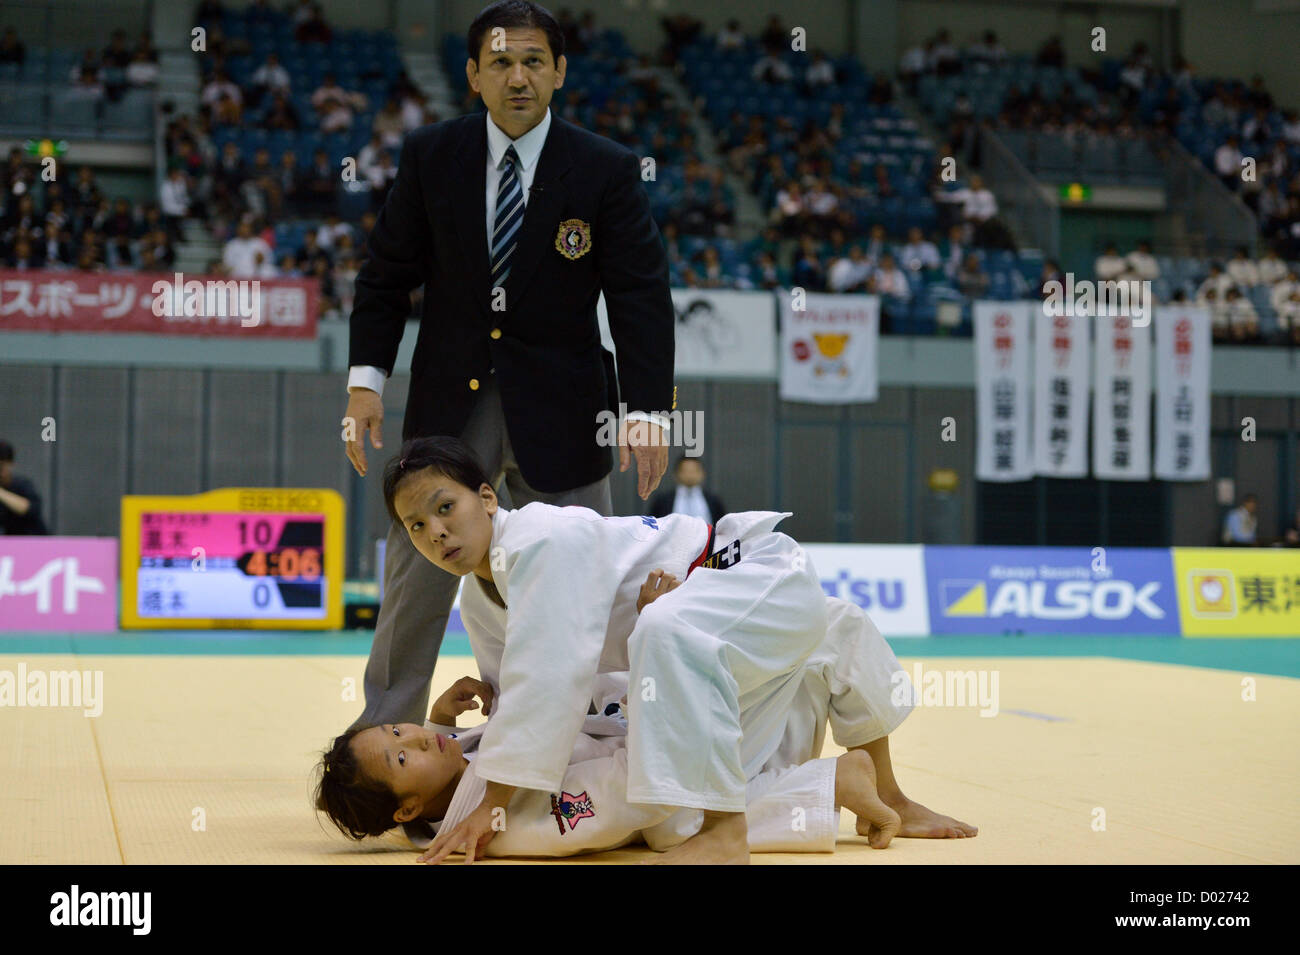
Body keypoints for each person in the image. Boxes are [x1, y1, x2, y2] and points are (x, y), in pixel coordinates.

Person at [344, 0, 674, 734]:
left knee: (585, 582)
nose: (517, 76)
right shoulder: (434, 156)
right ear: (472, 75)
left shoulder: (605, 170)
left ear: (558, 71)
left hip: (566, 404)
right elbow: (385, 274)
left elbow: (641, 295)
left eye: (532, 61)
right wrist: (366, 380)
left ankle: (596, 737)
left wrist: (647, 410)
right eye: (500, 62)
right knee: (417, 577)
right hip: (450, 407)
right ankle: (383, 744)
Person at [384, 436, 827, 863]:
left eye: (446, 508)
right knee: (669, 811)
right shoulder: (481, 594)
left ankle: (725, 833)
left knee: (661, 629)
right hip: (728, 631)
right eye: (417, 525)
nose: (437, 533)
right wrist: (448, 731)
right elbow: (519, 704)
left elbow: (548, 683)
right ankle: (857, 781)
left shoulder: (539, 539)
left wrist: (492, 807)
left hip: (755, 576)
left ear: (487, 498)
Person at [317, 577, 976, 860]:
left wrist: (444, 728)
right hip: (694, 772)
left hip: (698, 734)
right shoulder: (501, 824)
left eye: (399, 728)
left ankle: (883, 790)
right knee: (676, 828)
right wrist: (662, 637)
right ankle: (834, 787)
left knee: (830, 618)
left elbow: (574, 721)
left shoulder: (460, 762)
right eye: (403, 754)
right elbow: (641, 793)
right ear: (408, 811)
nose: (414, 736)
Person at [648, 455, 726, 524]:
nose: (690, 475)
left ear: (703, 474)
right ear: (676, 474)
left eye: (694, 471)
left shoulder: (713, 501)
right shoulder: (663, 501)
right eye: (685, 471)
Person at [0, 440, 49, 535]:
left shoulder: (22, 485)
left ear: (10, 464)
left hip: (34, 540)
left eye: (1, 467)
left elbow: (29, 509)